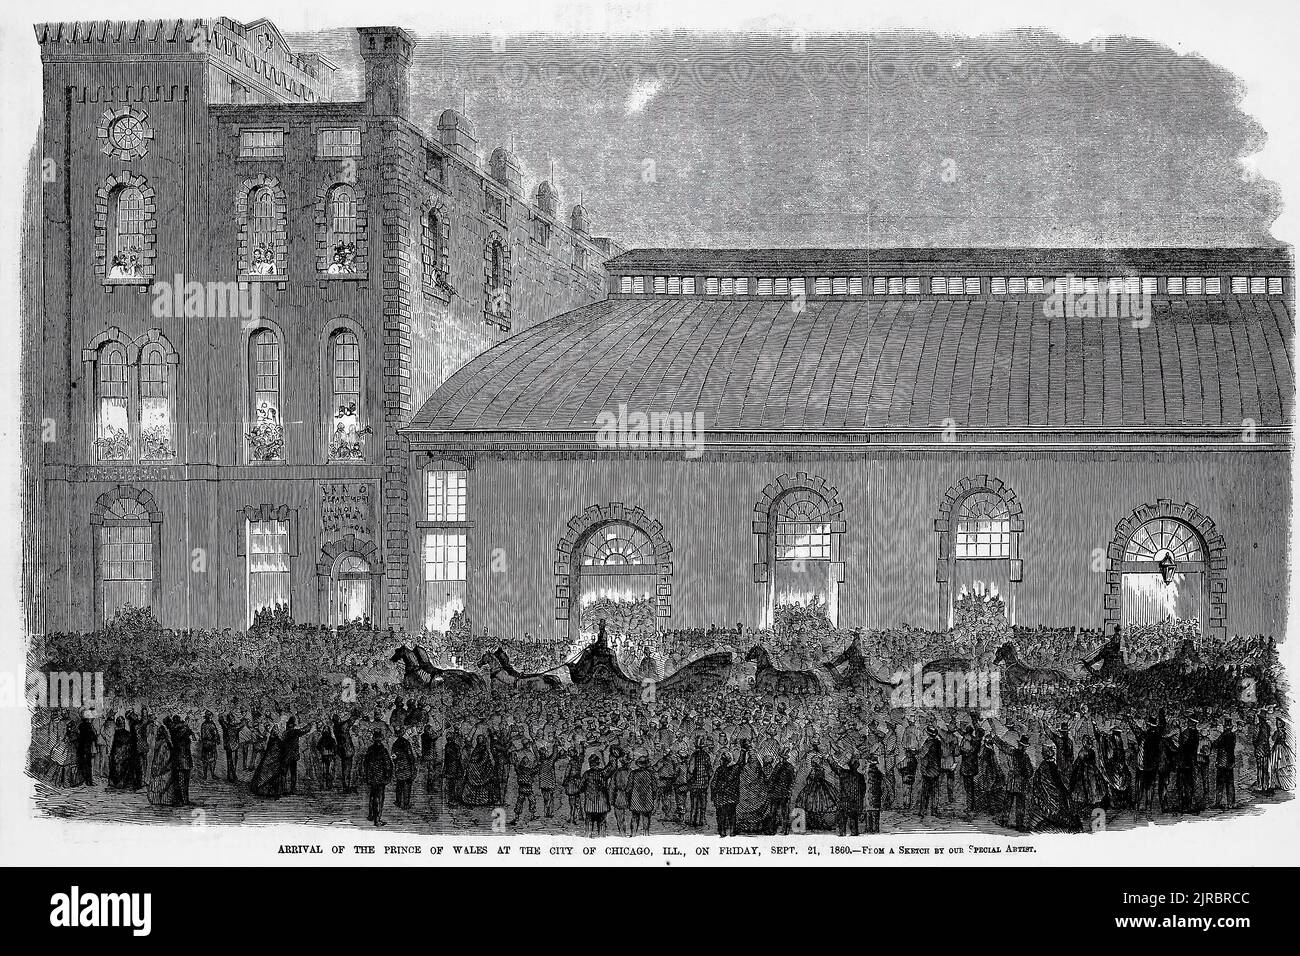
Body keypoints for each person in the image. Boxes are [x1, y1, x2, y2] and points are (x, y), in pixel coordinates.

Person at [827, 751, 866, 836]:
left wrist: (829, 757)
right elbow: (863, 791)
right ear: (857, 766)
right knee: (853, 824)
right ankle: (854, 837)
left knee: (842, 823)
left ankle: (841, 836)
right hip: (854, 804)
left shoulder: (843, 773)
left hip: (844, 802)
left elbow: (834, 766)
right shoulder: (860, 776)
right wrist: (860, 806)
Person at [363, 730, 394, 827]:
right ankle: (377, 820)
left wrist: (367, 775)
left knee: (372, 796)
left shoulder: (370, 749)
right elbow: (388, 765)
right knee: (379, 798)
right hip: (380, 778)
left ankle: (371, 815)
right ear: (381, 739)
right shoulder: (383, 750)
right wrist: (388, 775)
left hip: (372, 777)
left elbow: (365, 763)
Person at [580, 753, 612, 837]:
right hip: (602, 805)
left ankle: (587, 839)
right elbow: (612, 768)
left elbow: (580, 787)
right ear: (598, 763)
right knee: (601, 825)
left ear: (590, 763)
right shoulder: (603, 773)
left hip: (590, 805)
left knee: (589, 825)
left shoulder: (586, 774)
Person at [767, 749, 796, 835]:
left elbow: (772, 779)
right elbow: (792, 780)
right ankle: (785, 830)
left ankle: (772, 830)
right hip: (785, 792)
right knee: (784, 811)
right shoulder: (791, 767)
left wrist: (769, 788)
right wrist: (789, 790)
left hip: (776, 792)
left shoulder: (778, 766)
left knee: (774, 811)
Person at [711, 752, 738, 837]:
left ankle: (723, 833)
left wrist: (714, 793)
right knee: (731, 815)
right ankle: (732, 832)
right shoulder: (735, 769)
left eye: (721, 759)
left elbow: (713, 783)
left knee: (721, 816)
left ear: (725, 760)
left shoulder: (720, 769)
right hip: (731, 796)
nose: (720, 761)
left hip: (721, 797)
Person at [1212, 717, 1237, 810]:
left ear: (1224, 726)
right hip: (1230, 762)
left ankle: (1218, 802)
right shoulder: (1233, 735)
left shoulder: (1223, 735)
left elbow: (1215, 744)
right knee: (1229, 783)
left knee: (1220, 783)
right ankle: (1231, 803)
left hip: (1222, 763)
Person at [687, 737, 713, 828]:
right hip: (703, 784)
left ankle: (692, 821)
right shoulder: (706, 756)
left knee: (694, 804)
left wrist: (689, 780)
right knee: (703, 804)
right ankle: (701, 820)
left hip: (694, 784)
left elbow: (690, 770)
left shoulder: (693, 756)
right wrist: (707, 779)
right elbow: (710, 771)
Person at [629, 754, 657, 836]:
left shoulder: (633, 773)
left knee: (635, 816)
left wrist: (629, 797)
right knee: (646, 816)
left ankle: (633, 834)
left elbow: (629, 787)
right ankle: (646, 833)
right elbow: (654, 787)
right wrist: (653, 796)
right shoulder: (650, 774)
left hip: (636, 798)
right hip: (647, 798)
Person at [172, 715, 194, 805]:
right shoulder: (177, 732)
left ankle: (183, 800)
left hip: (182, 760)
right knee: (182, 782)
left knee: (182, 781)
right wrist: (186, 725)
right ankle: (182, 800)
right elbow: (186, 732)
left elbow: (189, 733)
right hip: (182, 760)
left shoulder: (178, 731)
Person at [392, 731, 416, 811]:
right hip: (407, 766)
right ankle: (406, 804)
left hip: (399, 767)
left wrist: (396, 763)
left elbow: (393, 757)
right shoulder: (407, 743)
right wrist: (413, 765)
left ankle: (398, 802)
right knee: (407, 785)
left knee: (399, 784)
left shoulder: (395, 744)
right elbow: (410, 755)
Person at [219, 708, 244, 783]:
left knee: (230, 762)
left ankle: (230, 777)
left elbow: (221, 721)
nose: (234, 720)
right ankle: (233, 778)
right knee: (233, 762)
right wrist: (243, 719)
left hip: (229, 747)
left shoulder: (226, 726)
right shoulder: (234, 727)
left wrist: (220, 716)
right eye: (233, 719)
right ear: (231, 720)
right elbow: (242, 724)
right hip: (233, 747)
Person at [334, 712, 356, 794]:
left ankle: (346, 786)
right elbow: (350, 722)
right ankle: (346, 787)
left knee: (345, 769)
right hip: (347, 751)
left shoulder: (335, 727)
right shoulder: (342, 726)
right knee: (347, 770)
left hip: (342, 751)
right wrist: (355, 714)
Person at [1270, 718, 1294, 792]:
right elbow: (1275, 739)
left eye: (1279, 723)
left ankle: (1282, 784)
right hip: (1280, 748)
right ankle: (1279, 784)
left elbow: (1274, 739)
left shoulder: (1279, 732)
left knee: (1279, 766)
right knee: (1278, 767)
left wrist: (1276, 734)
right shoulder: (1281, 731)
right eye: (1277, 723)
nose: (1277, 725)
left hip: (1279, 749)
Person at [76, 712, 97, 787]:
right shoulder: (89, 726)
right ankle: (89, 781)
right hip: (87, 747)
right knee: (88, 765)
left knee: (82, 764)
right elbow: (93, 737)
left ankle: (82, 780)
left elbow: (78, 736)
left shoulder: (80, 726)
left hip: (81, 747)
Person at [1253, 712, 1273, 791]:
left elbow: (1254, 739)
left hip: (1259, 749)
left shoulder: (1258, 726)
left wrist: (1256, 745)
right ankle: (1266, 785)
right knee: (1265, 767)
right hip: (1266, 749)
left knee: (1260, 768)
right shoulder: (1267, 727)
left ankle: (1260, 785)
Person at [865, 755, 884, 833]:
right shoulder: (879, 773)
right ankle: (875, 829)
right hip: (876, 796)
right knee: (875, 814)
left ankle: (869, 829)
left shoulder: (868, 773)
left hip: (869, 796)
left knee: (869, 814)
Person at [199, 712, 220, 782]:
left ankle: (205, 775)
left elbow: (202, 736)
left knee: (205, 760)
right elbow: (215, 734)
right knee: (213, 759)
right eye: (210, 717)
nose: (211, 718)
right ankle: (212, 774)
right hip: (211, 744)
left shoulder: (203, 724)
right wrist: (217, 740)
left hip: (205, 744)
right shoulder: (212, 725)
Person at [316, 721, 337, 790]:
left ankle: (329, 785)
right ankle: (323, 785)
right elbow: (318, 746)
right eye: (325, 730)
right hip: (324, 756)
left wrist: (333, 752)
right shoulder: (321, 739)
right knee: (324, 771)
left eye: (327, 730)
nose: (326, 731)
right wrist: (322, 749)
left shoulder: (332, 739)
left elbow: (335, 748)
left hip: (330, 756)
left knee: (330, 771)